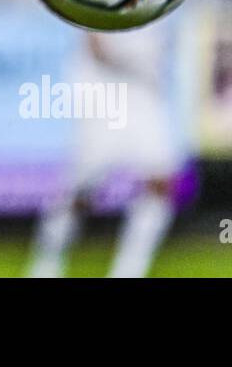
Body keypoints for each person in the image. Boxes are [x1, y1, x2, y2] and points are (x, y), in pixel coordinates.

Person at [26, 23, 183, 278]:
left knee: (161, 183)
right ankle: (46, 264)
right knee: (81, 193)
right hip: (104, 99)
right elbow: (98, 47)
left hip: (144, 99)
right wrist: (136, 58)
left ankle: (129, 270)